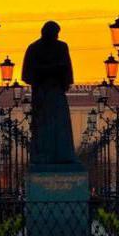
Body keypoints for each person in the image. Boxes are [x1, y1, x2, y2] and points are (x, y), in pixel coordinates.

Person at [21, 21, 77, 165]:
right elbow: (26, 74)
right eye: (54, 34)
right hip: (42, 93)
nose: (56, 37)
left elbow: (67, 71)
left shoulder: (61, 47)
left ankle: (63, 154)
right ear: (45, 33)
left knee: (60, 125)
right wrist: (49, 70)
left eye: (57, 34)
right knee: (43, 125)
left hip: (56, 91)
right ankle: (43, 155)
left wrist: (60, 78)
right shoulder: (34, 48)